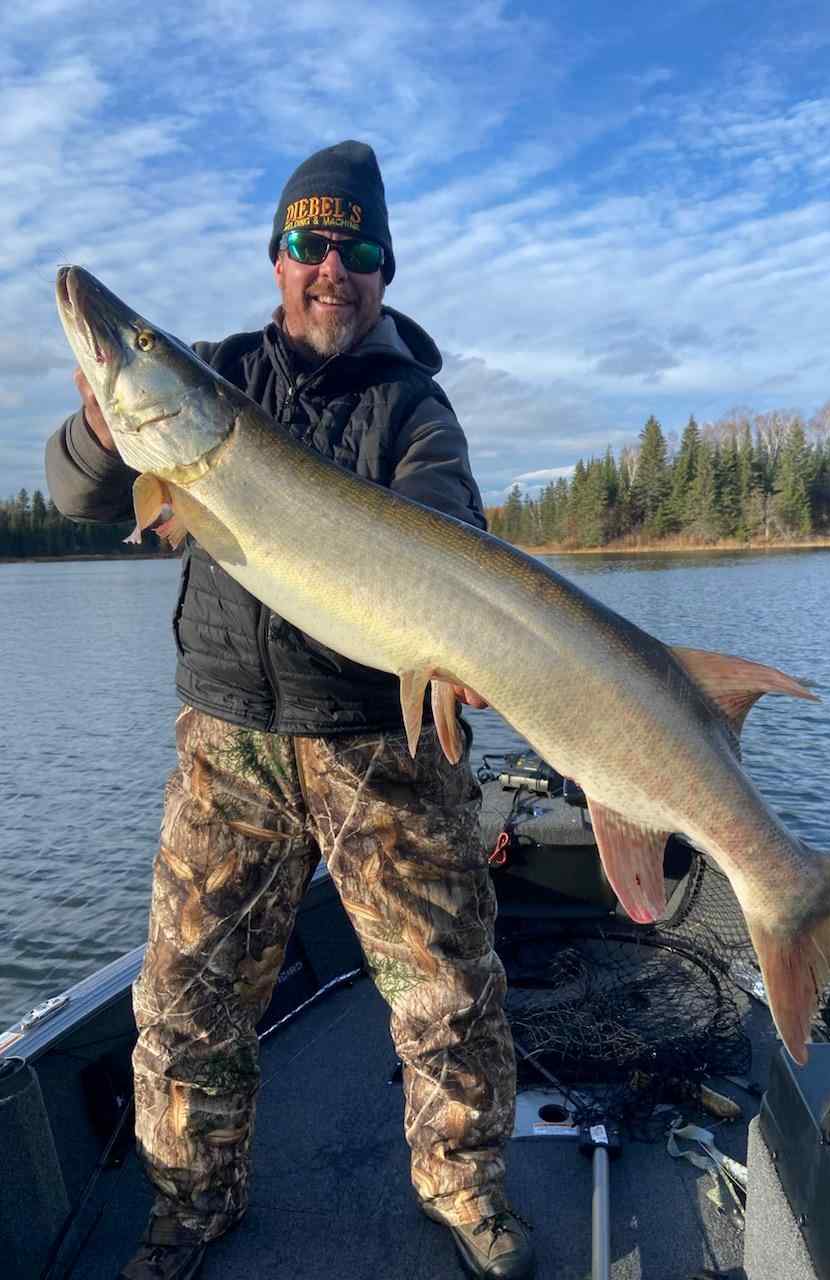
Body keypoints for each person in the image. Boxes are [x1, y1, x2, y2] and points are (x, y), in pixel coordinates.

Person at [45, 140, 535, 1280]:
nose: (333, 267)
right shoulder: (211, 379)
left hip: (381, 745)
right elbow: (78, 491)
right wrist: (103, 425)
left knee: (448, 993)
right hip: (230, 739)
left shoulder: (416, 409)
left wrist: (464, 642)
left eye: (358, 249)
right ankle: (190, 1207)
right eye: (310, 245)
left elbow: (444, 527)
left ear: (383, 273)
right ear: (276, 259)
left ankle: (466, 1189)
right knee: (183, 1001)